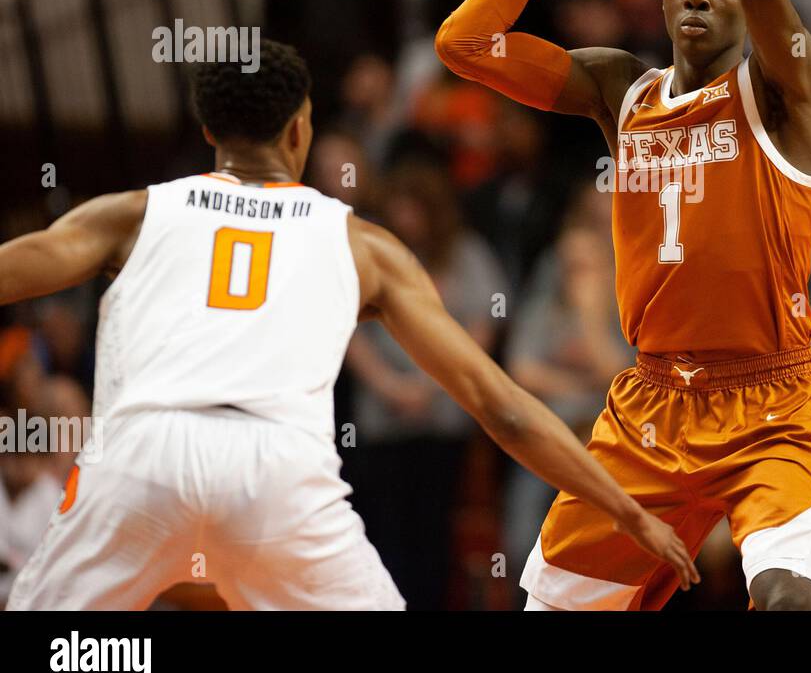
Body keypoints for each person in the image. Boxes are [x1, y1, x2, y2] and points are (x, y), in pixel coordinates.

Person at [0, 40, 695, 610]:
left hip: (139, 457)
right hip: (278, 469)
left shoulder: (130, 213)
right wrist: (629, 511)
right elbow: (500, 406)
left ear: (210, 131)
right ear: (300, 128)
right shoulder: (363, 244)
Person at [437, 0, 811, 610]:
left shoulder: (783, 92)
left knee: (787, 598)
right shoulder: (621, 89)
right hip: (652, 404)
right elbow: (465, 42)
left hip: (772, 403)